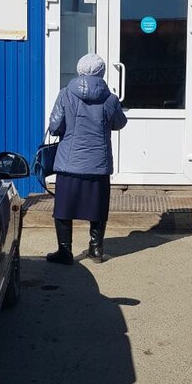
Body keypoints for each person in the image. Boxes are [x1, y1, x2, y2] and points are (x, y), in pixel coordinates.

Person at [46, 53, 127, 265]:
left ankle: (64, 252)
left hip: (69, 163)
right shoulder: (111, 98)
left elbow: (54, 127)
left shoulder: (65, 94)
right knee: (98, 207)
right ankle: (96, 250)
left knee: (64, 207)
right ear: (102, 72)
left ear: (79, 69)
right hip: (98, 164)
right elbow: (120, 123)